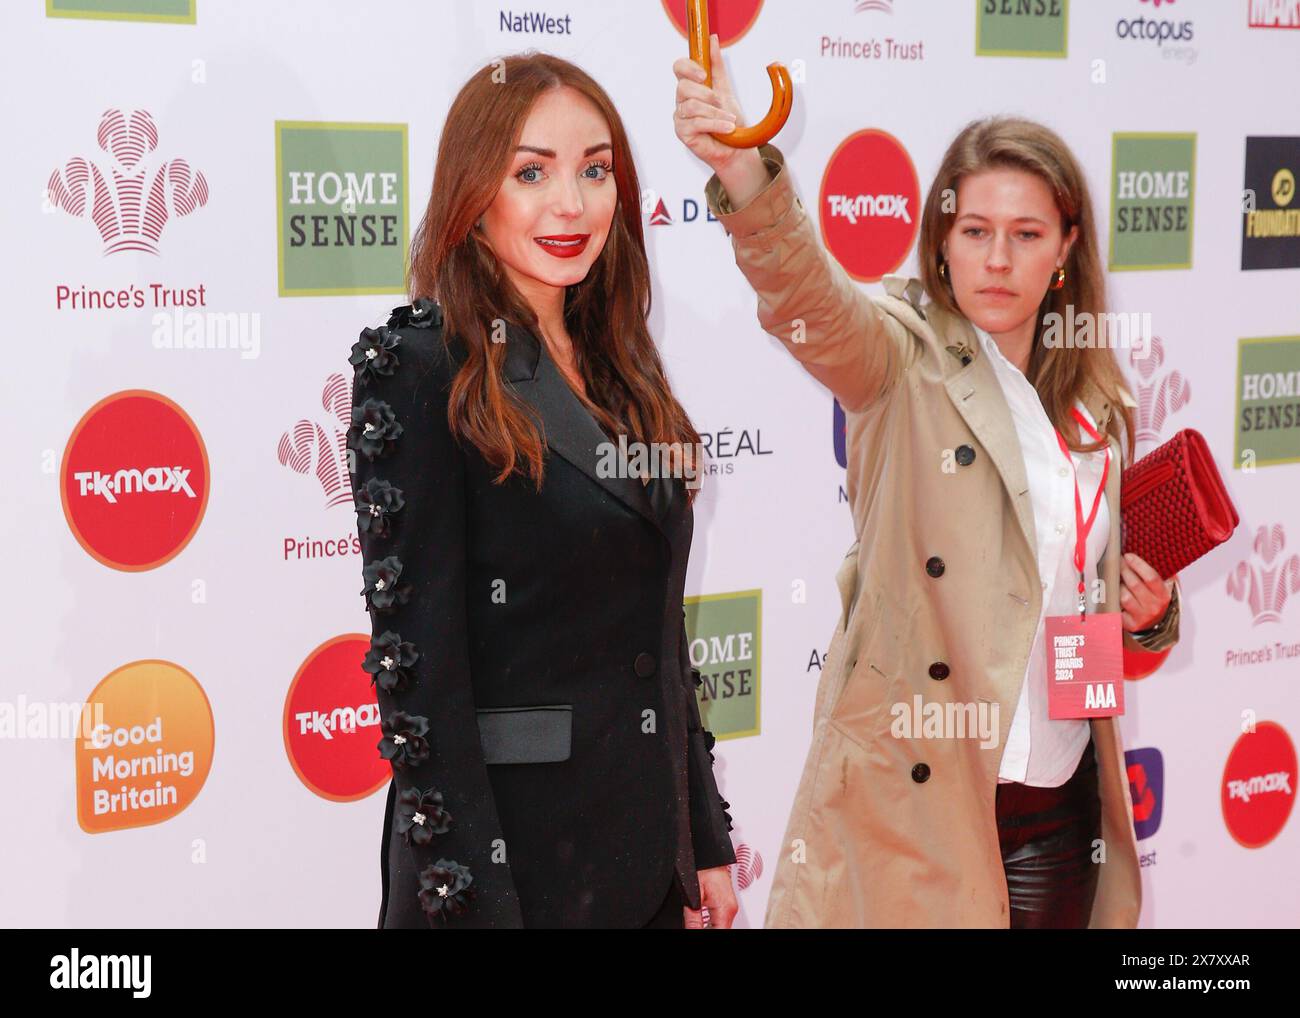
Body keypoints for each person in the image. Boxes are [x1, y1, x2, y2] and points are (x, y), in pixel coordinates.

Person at [672, 35, 1180, 928]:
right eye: (974, 232)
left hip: (1060, 810)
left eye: (1025, 236)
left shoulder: (1096, 401)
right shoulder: (903, 358)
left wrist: (1149, 615)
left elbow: (1083, 620)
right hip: (923, 811)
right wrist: (742, 172)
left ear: (1064, 249)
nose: (996, 259)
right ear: (940, 242)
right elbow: (809, 300)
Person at [347, 52, 737, 929]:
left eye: (596, 170)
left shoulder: (624, 365)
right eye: (533, 172)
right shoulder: (421, 368)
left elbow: (655, 629)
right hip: (507, 874)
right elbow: (422, 688)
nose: (573, 204)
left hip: (642, 866)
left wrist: (700, 836)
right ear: (472, 192)